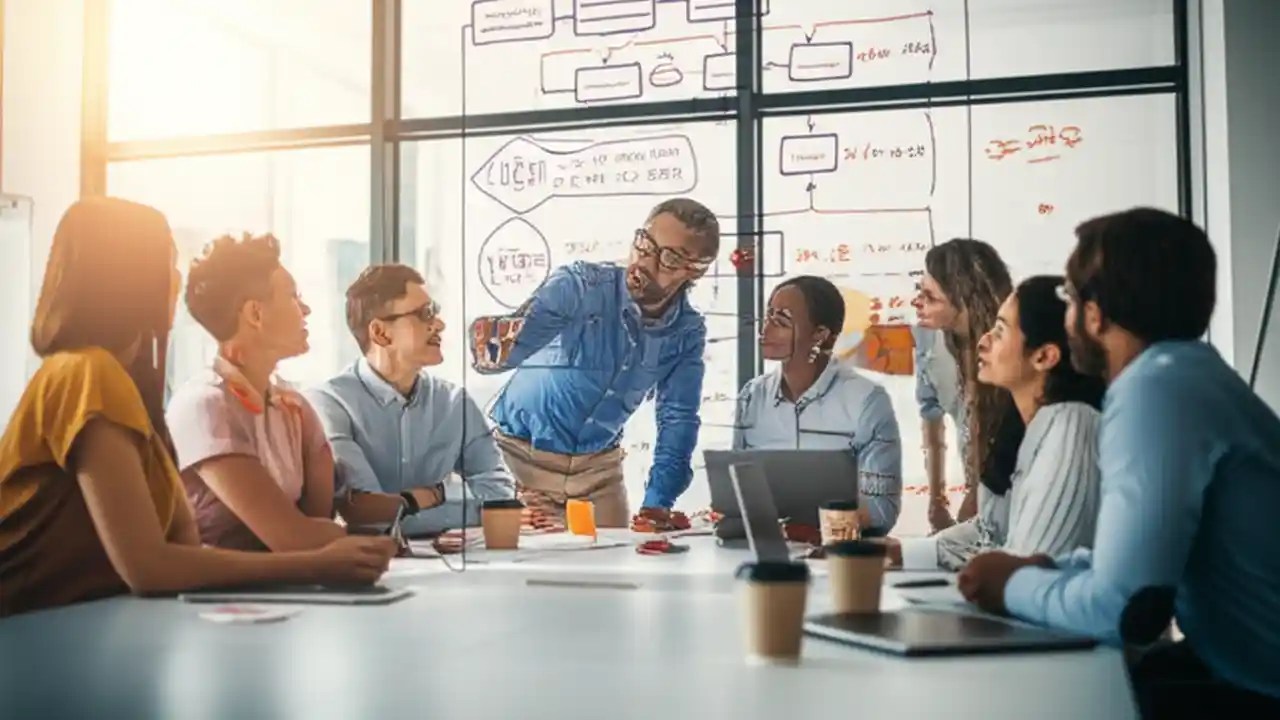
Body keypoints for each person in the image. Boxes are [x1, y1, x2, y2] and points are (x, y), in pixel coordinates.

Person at [0, 198, 393, 617]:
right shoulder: (88, 373)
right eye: (168, 264)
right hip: (31, 630)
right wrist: (312, 565)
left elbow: (183, 549)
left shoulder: (129, 388)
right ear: (128, 278)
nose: (174, 281)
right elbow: (149, 567)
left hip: (94, 622)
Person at [958, 208, 1280, 712]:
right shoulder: (1190, 375)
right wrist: (1054, 568)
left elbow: (1126, 610)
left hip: (1255, 686)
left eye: (1068, 296)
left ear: (1095, 314)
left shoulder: (1156, 389)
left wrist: (1012, 584)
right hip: (1233, 665)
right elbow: (1145, 566)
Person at [471, 197, 718, 528]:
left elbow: (678, 419)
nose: (645, 260)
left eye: (669, 258)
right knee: (518, 572)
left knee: (616, 568)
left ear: (694, 271)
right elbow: (504, 349)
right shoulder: (579, 286)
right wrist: (489, 344)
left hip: (598, 477)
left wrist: (657, 503)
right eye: (644, 242)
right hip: (520, 462)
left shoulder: (686, 332)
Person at [888, 275, 1104, 570]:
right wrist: (904, 553)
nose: (983, 341)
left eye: (1000, 332)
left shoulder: (1071, 426)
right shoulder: (1023, 422)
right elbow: (990, 530)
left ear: (1043, 356)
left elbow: (1034, 566)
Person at [166, 233, 349, 551]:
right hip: (211, 594)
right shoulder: (205, 405)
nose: (305, 309)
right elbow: (295, 539)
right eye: (293, 296)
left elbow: (317, 526)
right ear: (255, 314)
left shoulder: (295, 407)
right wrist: (367, 538)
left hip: (282, 590)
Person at [307, 264, 517, 536]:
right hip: (369, 565)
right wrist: (460, 508)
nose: (439, 324)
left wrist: (434, 495)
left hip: (449, 563)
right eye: (424, 314)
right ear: (381, 333)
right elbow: (369, 518)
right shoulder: (330, 404)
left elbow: (500, 495)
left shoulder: (454, 402)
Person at [733, 276, 902, 535]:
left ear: (820, 335)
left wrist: (815, 529)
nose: (765, 330)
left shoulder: (866, 401)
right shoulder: (752, 396)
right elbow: (738, 493)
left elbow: (881, 510)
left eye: (781, 322)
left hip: (839, 557)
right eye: (768, 317)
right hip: (766, 551)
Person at [912, 239, 1023, 534]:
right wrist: (938, 502)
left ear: (964, 300)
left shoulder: (1012, 358)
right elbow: (932, 417)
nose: (916, 303)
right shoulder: (933, 340)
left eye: (930, 297)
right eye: (919, 291)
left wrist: (977, 497)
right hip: (982, 509)